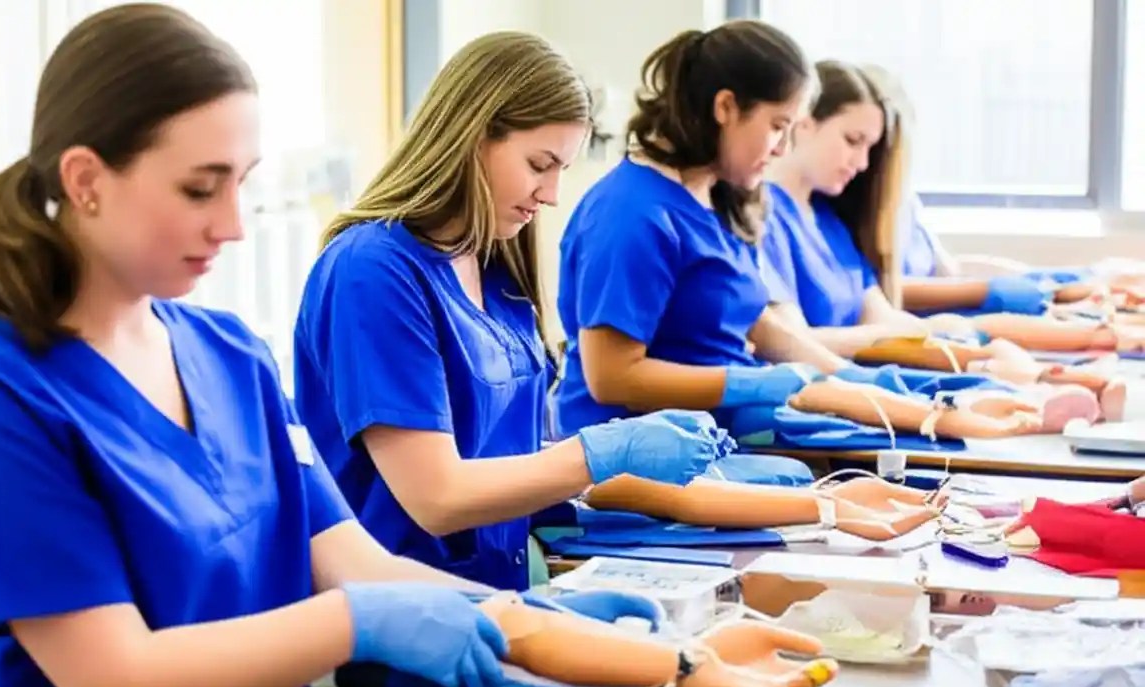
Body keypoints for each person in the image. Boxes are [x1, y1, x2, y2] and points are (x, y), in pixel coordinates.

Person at [0, 8, 661, 687]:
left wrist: (527, 617)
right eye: (201, 188)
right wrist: (350, 625)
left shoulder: (228, 356)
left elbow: (355, 562)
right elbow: (113, 682)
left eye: (243, 183)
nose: (233, 225)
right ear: (86, 180)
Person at [294, 31, 725, 593]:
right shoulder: (371, 271)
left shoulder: (496, 273)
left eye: (561, 171)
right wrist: (601, 451)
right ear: (473, 137)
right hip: (407, 621)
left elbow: (510, 460)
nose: (549, 195)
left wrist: (791, 504)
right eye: (539, 164)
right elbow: (437, 497)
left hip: (499, 595)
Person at [553, 20, 938, 536]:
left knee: (821, 488)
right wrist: (750, 382)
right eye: (778, 125)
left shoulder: (713, 198)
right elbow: (612, 377)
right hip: (631, 466)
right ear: (726, 107)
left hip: (708, 445)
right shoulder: (632, 214)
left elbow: (761, 326)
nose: (781, 147)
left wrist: (845, 379)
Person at [764, 60, 1145, 358]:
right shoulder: (768, 218)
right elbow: (793, 342)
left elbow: (886, 314)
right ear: (804, 125)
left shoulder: (829, 222)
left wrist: (957, 336)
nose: (863, 163)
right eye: (852, 141)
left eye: (869, 148)